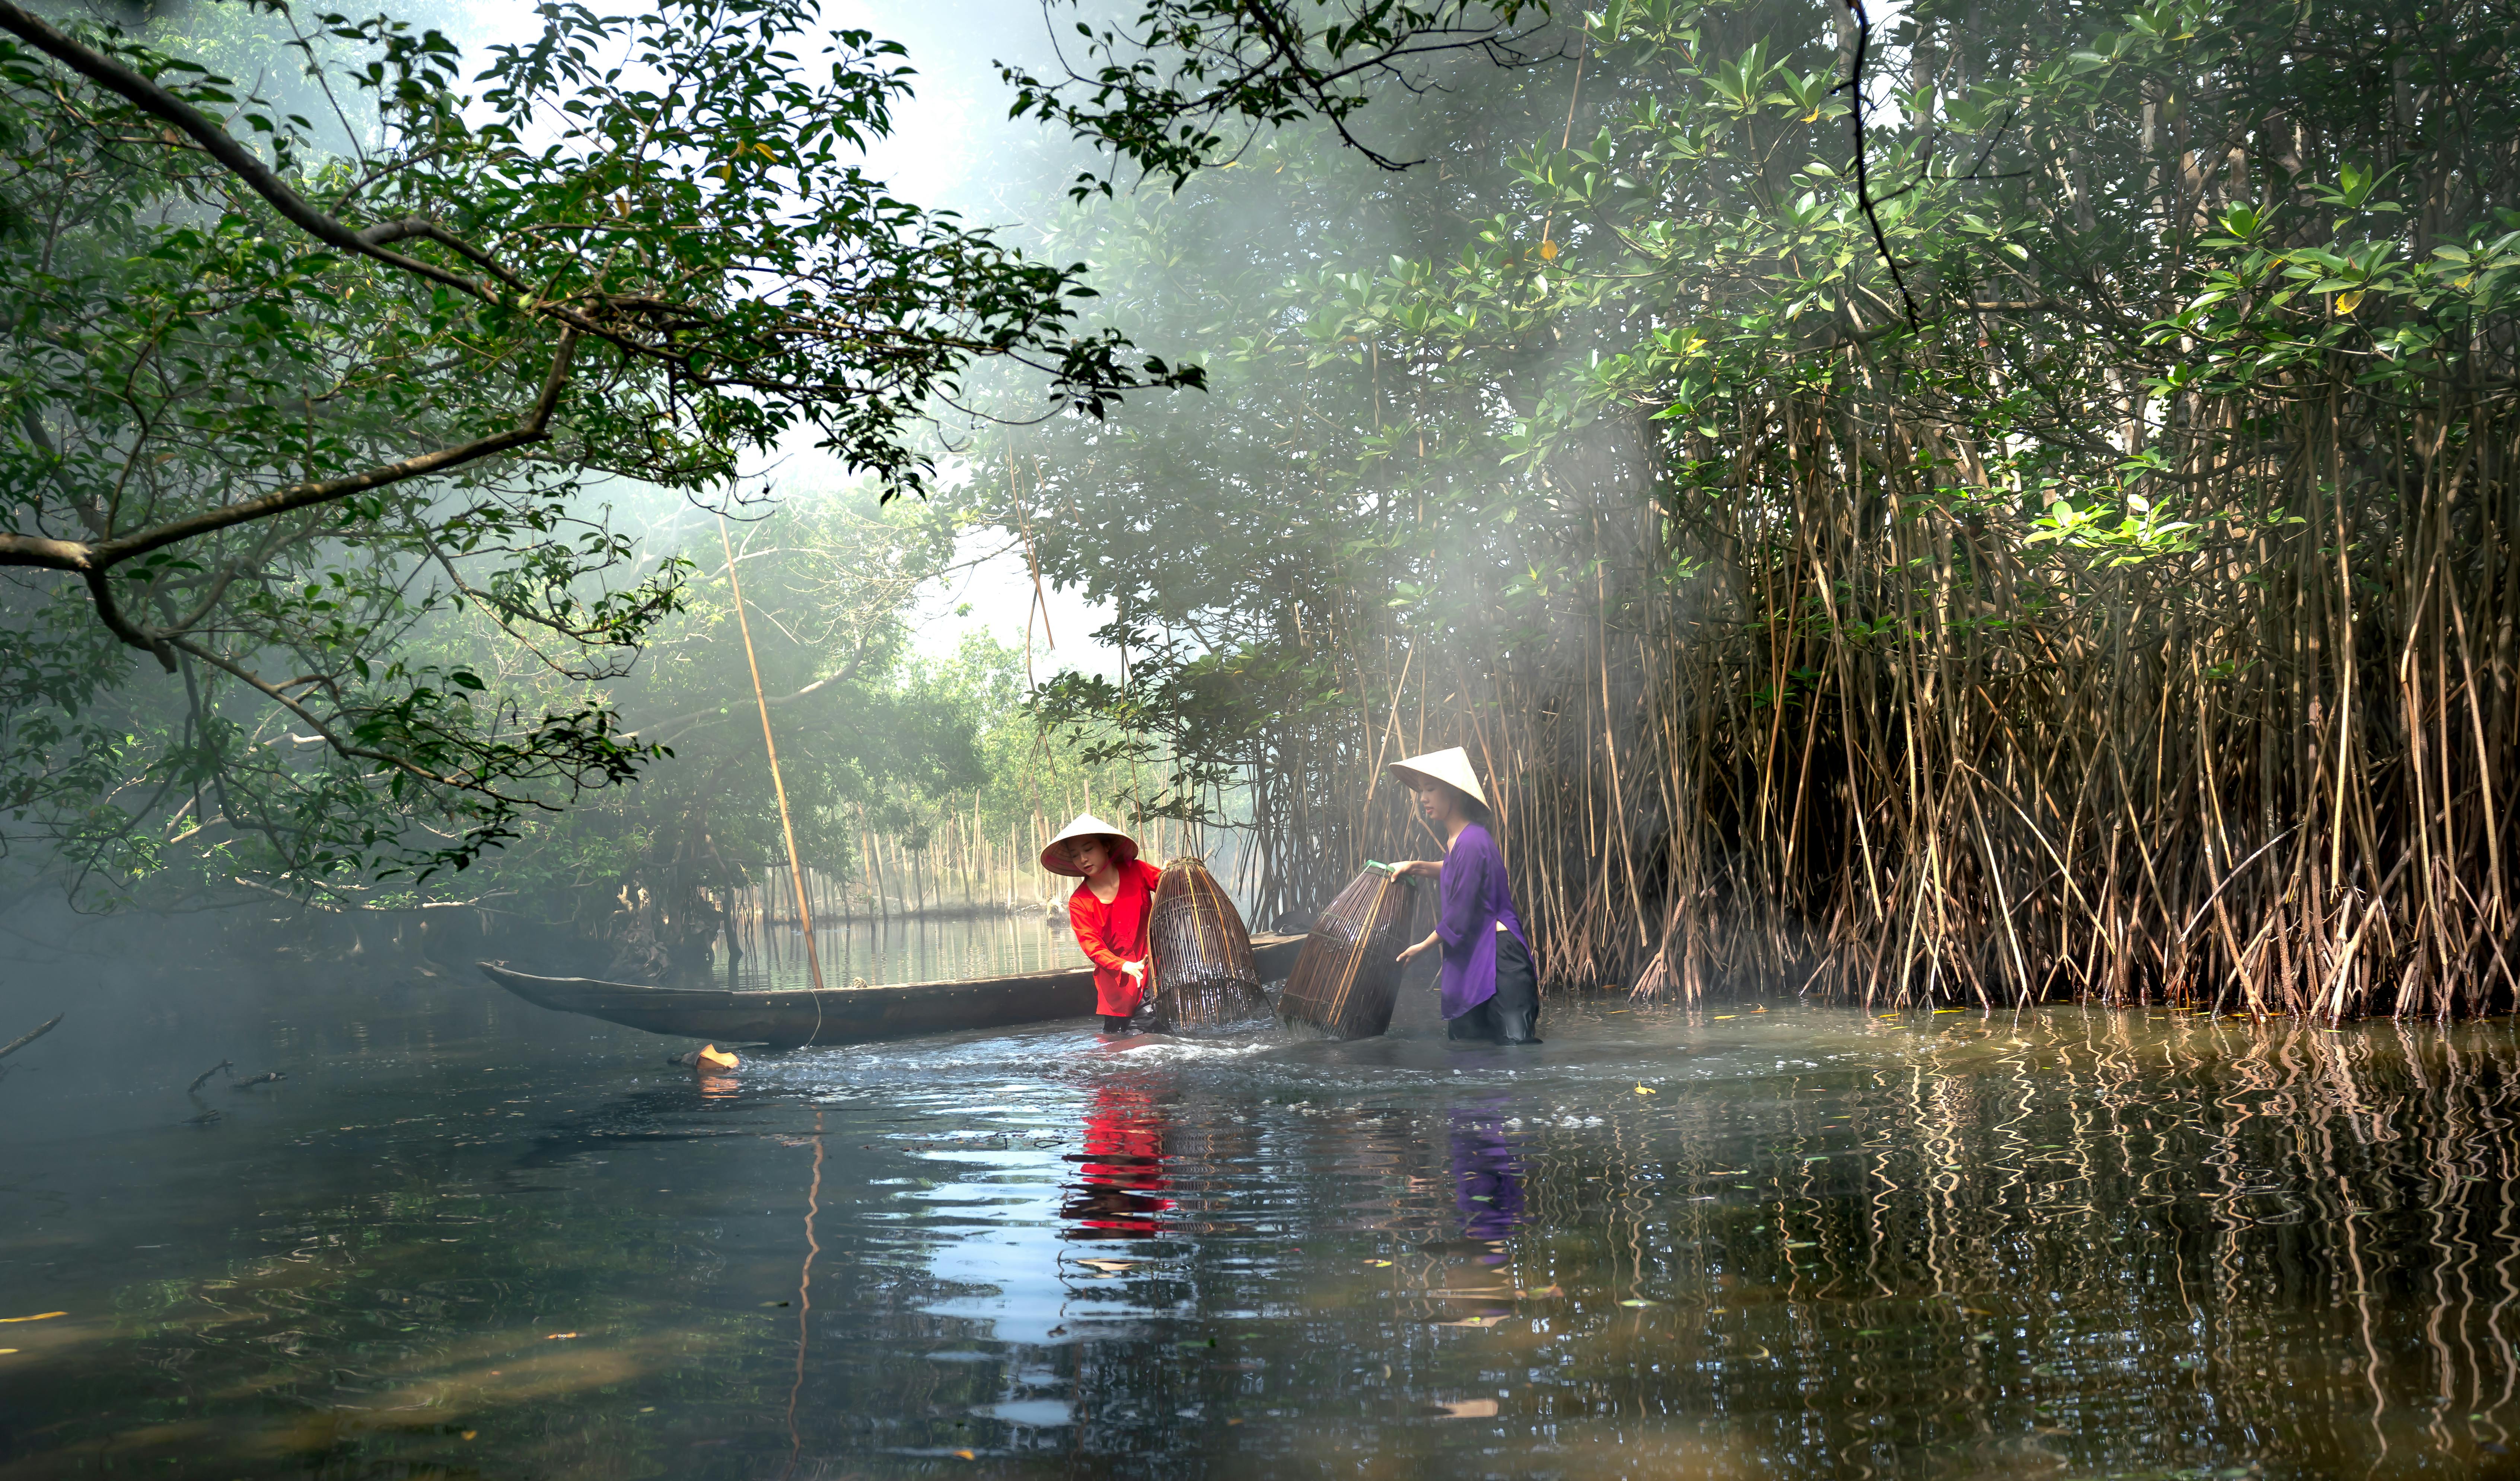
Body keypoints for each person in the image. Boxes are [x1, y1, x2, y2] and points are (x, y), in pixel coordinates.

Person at [1390, 747, 1541, 1045]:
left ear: (1454, 794)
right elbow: (1454, 870)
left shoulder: (1472, 842)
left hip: (1498, 956)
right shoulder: (1461, 840)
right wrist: (1416, 866)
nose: (1423, 799)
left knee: (1515, 1050)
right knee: (1473, 1049)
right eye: (1422, 791)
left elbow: (1461, 914)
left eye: (1431, 790)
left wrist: (1421, 947)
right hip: (1475, 952)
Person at [1042, 813, 1163, 1034]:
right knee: (1116, 1052)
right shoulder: (1080, 902)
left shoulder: (1137, 871)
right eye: (1076, 855)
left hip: (1153, 977)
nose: (1083, 859)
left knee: (1148, 1044)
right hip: (1116, 992)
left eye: (1088, 850)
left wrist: (1177, 872)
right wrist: (1124, 965)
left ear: (1106, 846)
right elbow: (1092, 947)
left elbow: (1172, 887)